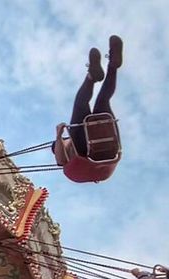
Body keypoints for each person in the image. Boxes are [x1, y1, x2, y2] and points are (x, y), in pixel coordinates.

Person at [53, 36, 123, 183]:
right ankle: (95, 75)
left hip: (102, 146)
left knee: (101, 103)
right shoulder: (67, 150)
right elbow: (60, 160)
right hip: (88, 150)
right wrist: (59, 136)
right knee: (84, 103)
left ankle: (112, 65)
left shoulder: (74, 152)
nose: (67, 140)